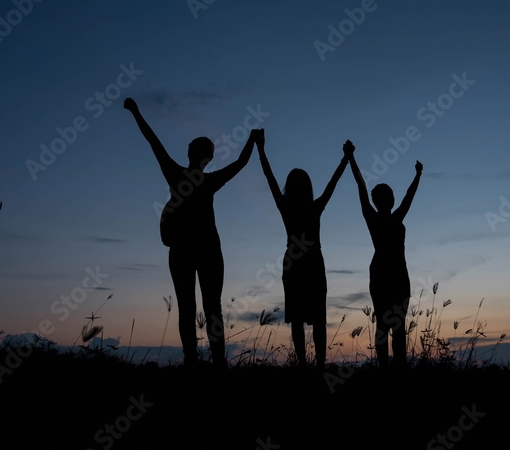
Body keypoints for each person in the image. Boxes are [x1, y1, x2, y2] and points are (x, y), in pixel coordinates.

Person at [124, 97, 258, 368]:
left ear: (189, 154)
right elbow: (241, 162)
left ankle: (190, 362)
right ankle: (218, 362)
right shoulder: (210, 181)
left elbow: (153, 140)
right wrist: (253, 138)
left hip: (182, 250)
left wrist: (135, 111)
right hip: (209, 249)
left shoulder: (175, 174)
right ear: (208, 157)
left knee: (187, 310)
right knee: (213, 310)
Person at [256, 129, 347, 368]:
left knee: (297, 318)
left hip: (294, 262)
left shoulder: (286, 206)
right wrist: (345, 159)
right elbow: (332, 184)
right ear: (308, 187)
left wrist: (261, 149)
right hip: (313, 260)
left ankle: (304, 365)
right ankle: (318, 366)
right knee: (318, 318)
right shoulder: (314, 207)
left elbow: (270, 178)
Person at [344, 140, 422, 368]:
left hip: (391, 273)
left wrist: (350, 157)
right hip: (391, 273)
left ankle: (390, 369)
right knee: (393, 327)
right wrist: (418, 175)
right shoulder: (387, 218)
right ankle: (391, 369)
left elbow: (361, 186)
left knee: (392, 326)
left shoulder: (378, 218)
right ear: (388, 200)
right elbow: (362, 186)